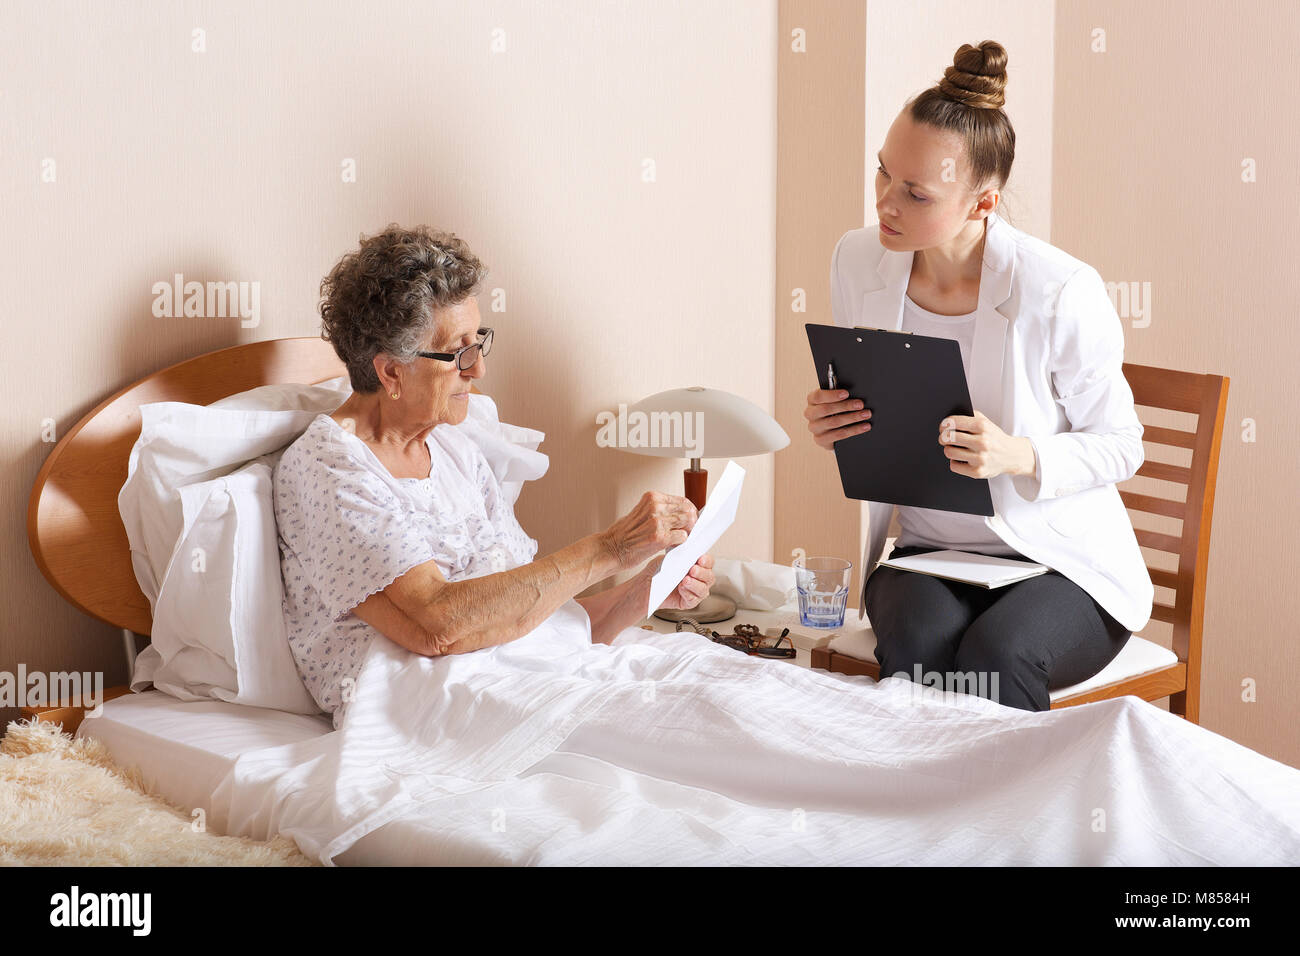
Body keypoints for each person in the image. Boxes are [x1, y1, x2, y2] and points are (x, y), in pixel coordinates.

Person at [804, 40, 1153, 712]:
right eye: (882, 174)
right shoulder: (858, 261)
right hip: (927, 553)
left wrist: (1017, 453)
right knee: (919, 644)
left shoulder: (1058, 290)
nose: (886, 202)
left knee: (997, 657)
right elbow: (877, 416)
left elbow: (1122, 443)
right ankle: (917, 811)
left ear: (982, 205)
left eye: (915, 192)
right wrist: (835, 424)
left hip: (1058, 564)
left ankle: (1009, 819)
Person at [274, 224, 715, 728]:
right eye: (459, 352)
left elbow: (536, 624)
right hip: (442, 711)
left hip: (532, 680)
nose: (478, 369)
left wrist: (648, 586)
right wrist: (609, 549)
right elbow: (437, 625)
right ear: (391, 373)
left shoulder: (456, 449)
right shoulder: (331, 467)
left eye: (478, 341)